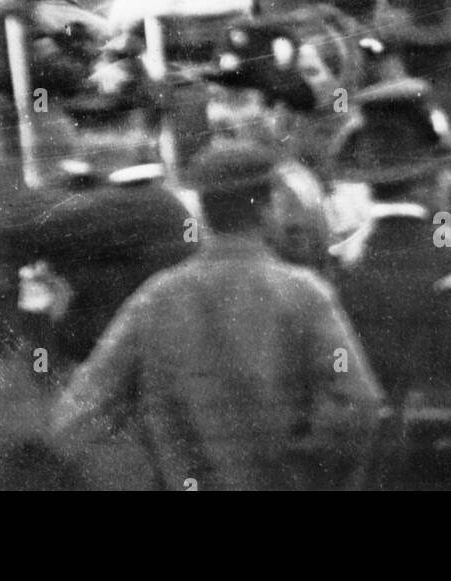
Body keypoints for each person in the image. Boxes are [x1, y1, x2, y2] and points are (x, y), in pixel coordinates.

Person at [51, 140, 385, 490]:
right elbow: (358, 403)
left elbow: (76, 418)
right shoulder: (304, 294)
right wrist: (304, 474)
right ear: (269, 209)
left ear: (203, 214)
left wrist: (151, 477)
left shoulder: (157, 298)